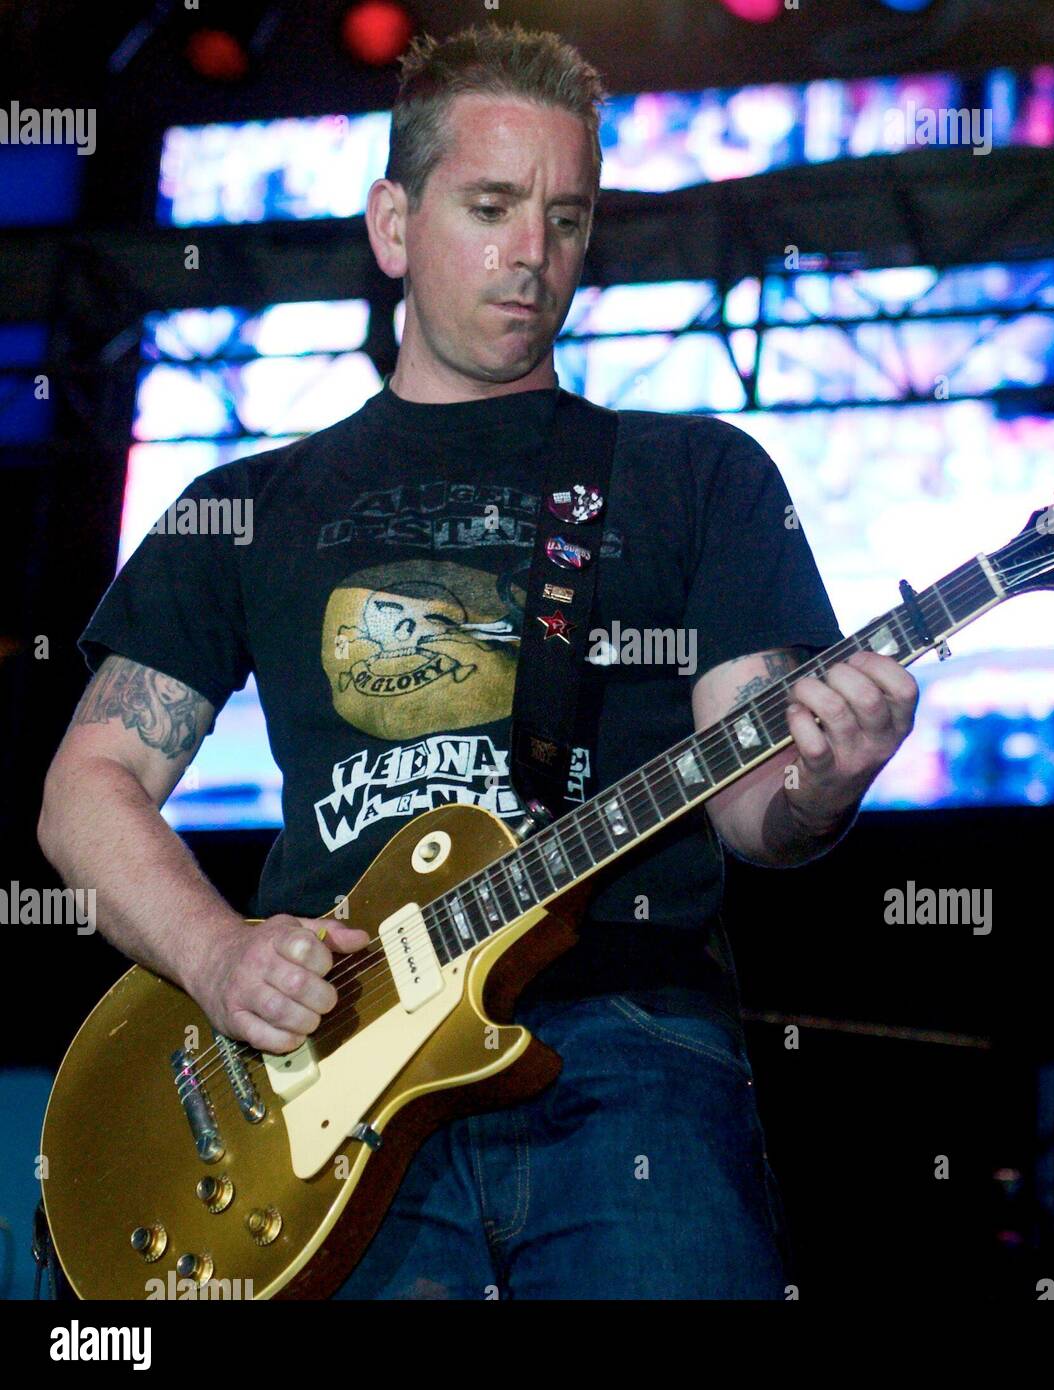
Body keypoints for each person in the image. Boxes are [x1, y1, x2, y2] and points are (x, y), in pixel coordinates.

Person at [37, 22, 918, 1300]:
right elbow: (86, 786)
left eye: (565, 218)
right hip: (328, 1079)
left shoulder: (694, 472)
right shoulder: (250, 503)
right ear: (393, 225)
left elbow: (752, 806)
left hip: (630, 1044)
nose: (531, 256)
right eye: (491, 207)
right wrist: (221, 955)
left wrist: (826, 778)